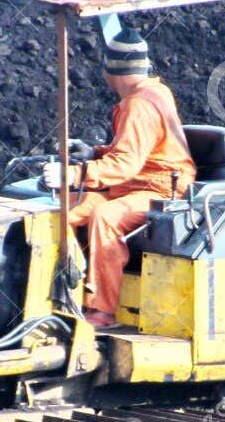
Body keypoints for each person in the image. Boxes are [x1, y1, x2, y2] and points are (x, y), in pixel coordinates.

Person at [41, 26, 195, 327]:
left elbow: (126, 164)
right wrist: (94, 153)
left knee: (105, 217)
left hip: (162, 189)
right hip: (134, 183)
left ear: (112, 71)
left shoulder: (139, 105)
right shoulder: (152, 91)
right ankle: (59, 291)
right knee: (61, 209)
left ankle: (102, 310)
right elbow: (135, 150)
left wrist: (71, 173)